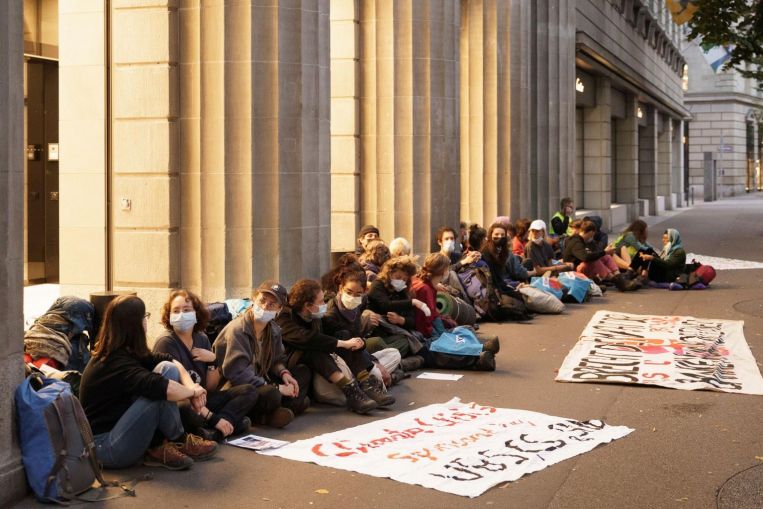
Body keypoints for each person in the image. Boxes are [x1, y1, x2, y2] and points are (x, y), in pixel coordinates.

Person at [80, 295, 217, 470]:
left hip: (120, 428)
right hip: (105, 447)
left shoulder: (124, 349)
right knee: (156, 396)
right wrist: (193, 393)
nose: (146, 321)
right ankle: (179, 440)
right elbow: (161, 388)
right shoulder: (114, 361)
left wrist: (192, 386)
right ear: (133, 325)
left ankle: (161, 445)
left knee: (167, 368)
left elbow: (167, 360)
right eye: (144, 317)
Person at [153, 289, 257, 442]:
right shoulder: (166, 343)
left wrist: (212, 361)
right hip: (183, 402)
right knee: (186, 409)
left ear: (196, 314)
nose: (181, 314)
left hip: (203, 400)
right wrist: (213, 418)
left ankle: (217, 427)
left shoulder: (202, 338)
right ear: (169, 316)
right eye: (176, 311)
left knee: (249, 391)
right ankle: (223, 425)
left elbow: (211, 387)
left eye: (186, 310)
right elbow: (177, 394)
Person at [276, 279, 384, 414]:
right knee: (314, 348)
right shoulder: (284, 317)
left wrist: (357, 341)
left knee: (343, 334)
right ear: (308, 305)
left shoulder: (316, 316)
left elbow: (338, 330)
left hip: (323, 365)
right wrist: (343, 344)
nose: (324, 304)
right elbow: (305, 338)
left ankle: (366, 382)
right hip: (292, 366)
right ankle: (351, 391)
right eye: (321, 302)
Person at [214, 281, 311, 429]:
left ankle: (276, 412)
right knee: (272, 394)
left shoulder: (274, 330)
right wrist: (277, 388)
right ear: (254, 300)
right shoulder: (238, 329)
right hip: (239, 388)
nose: (265, 306)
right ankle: (274, 412)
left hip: (261, 378)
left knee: (302, 372)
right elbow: (238, 374)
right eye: (262, 300)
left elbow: (277, 360)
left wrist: (284, 373)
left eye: (272, 304)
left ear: (279, 309)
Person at [321, 270, 397, 405]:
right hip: (338, 362)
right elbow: (339, 345)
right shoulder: (330, 313)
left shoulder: (357, 308)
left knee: (393, 353)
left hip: (357, 358)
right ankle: (369, 382)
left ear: (364, 293)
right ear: (340, 288)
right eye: (349, 292)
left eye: (357, 294)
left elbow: (358, 340)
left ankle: (371, 380)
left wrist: (374, 361)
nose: (352, 297)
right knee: (373, 372)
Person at [411, 253, 497, 371]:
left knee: (464, 330)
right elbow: (423, 322)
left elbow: (433, 313)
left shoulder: (430, 285)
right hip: (425, 336)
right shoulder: (424, 288)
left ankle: (479, 348)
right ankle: (477, 356)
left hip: (433, 327)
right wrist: (441, 335)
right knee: (448, 345)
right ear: (444, 270)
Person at [563, 220, 637, 291]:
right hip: (573, 271)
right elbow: (585, 257)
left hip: (581, 266)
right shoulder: (576, 242)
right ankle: (617, 281)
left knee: (606, 256)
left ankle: (619, 277)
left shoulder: (585, 241)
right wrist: (604, 252)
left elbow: (596, 252)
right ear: (591, 232)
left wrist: (605, 252)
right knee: (594, 261)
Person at [481, 223, 532, 293]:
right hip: (500, 291)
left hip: (507, 287)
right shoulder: (487, 253)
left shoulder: (502, 252)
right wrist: (517, 285)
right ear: (490, 235)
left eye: (502, 235)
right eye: (496, 234)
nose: (500, 237)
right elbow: (498, 282)